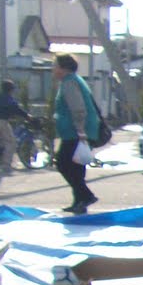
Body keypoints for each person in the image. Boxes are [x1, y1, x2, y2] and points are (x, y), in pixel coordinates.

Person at [51, 54, 101, 213]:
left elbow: (78, 108)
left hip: (76, 132)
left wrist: (80, 130)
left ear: (64, 68)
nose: (54, 69)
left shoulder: (70, 83)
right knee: (76, 166)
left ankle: (85, 195)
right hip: (77, 131)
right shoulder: (73, 80)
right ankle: (79, 201)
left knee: (63, 163)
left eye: (56, 66)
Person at [0, 80, 27, 172]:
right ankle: (6, 165)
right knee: (11, 142)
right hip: (0, 121)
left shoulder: (2, 96)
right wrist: (27, 116)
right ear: (10, 89)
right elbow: (15, 108)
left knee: (4, 139)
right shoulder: (7, 98)